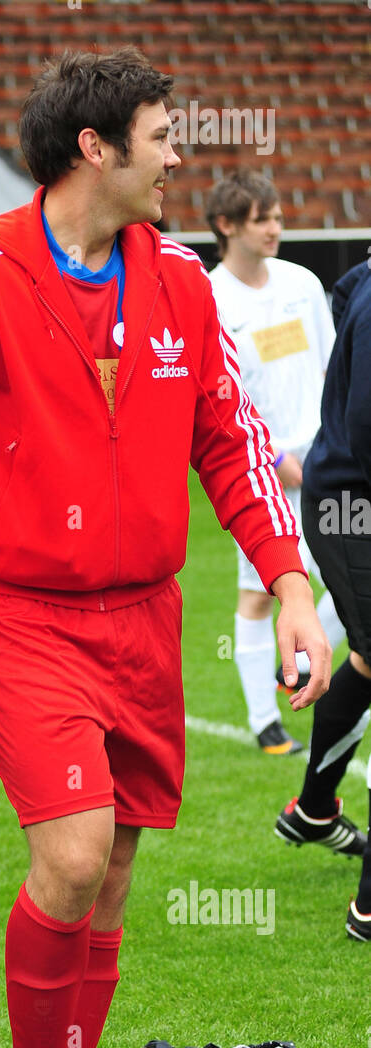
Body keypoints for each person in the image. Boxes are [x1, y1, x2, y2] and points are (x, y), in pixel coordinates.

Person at [0, 48, 330, 1048]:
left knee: (115, 873)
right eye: (161, 135)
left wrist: (288, 583)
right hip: (17, 619)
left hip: (144, 620)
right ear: (95, 147)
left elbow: (230, 442)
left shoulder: (176, 279)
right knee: (73, 856)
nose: (176, 155)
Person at [206, 170, 344, 755]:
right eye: (261, 219)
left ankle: (293, 664)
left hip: (327, 460)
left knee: (348, 579)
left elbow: (332, 367)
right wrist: (274, 455)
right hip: (260, 468)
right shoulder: (210, 297)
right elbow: (220, 396)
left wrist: (336, 444)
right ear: (225, 225)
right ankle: (266, 722)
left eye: (278, 217)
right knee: (261, 594)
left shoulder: (302, 283)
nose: (274, 229)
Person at [274, 257, 371, 936]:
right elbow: (365, 422)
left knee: (366, 661)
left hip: (344, 498)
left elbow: (344, 292)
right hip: (351, 507)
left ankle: (313, 809)